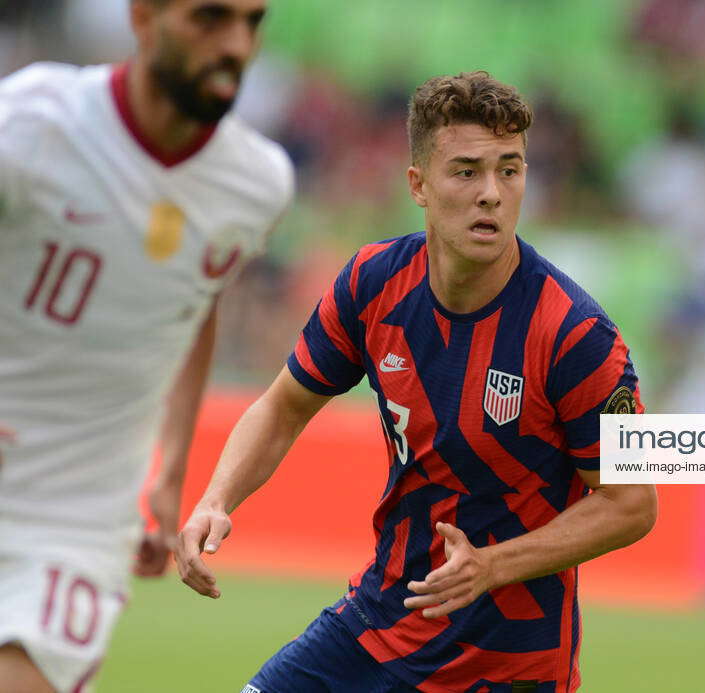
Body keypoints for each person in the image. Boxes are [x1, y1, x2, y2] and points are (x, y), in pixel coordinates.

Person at [177, 71, 656, 693]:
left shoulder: (576, 335)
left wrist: (489, 566)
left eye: (509, 170)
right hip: (377, 625)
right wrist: (216, 498)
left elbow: (632, 504)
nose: (491, 193)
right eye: (466, 171)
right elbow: (283, 407)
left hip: (506, 668)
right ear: (418, 184)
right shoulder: (372, 283)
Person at [0, 1, 292, 691]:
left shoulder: (257, 185)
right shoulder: (32, 125)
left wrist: (172, 466)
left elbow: (196, 297)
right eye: (210, 18)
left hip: (73, 522)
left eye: (251, 23)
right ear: (143, 17)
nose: (235, 45)